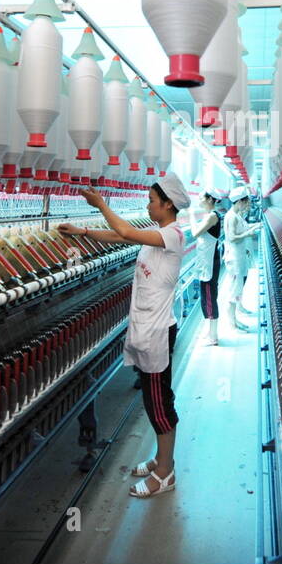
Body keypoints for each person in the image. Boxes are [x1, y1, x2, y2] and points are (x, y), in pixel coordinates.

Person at [59, 172, 189, 498]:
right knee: (151, 400)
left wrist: (101, 203)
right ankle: (160, 459)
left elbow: (125, 230)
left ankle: (166, 472)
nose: (148, 205)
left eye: (151, 201)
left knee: (160, 405)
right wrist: (83, 232)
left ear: (168, 204)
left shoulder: (173, 234)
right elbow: (120, 237)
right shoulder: (159, 232)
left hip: (158, 333)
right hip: (146, 330)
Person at [187, 189, 223, 346]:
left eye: (201, 197)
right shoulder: (210, 216)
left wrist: (190, 215)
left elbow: (195, 233)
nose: (199, 200)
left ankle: (213, 336)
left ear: (209, 199)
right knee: (207, 296)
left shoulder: (212, 217)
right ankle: (210, 333)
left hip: (210, 263)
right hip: (208, 261)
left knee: (209, 298)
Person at [223, 185, 262, 330]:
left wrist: (257, 225)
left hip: (239, 256)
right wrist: (249, 233)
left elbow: (245, 227)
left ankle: (238, 313)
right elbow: (232, 237)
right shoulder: (231, 217)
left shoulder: (237, 215)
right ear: (239, 201)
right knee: (233, 291)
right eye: (245, 202)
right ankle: (233, 322)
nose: (247, 205)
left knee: (238, 288)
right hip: (234, 258)